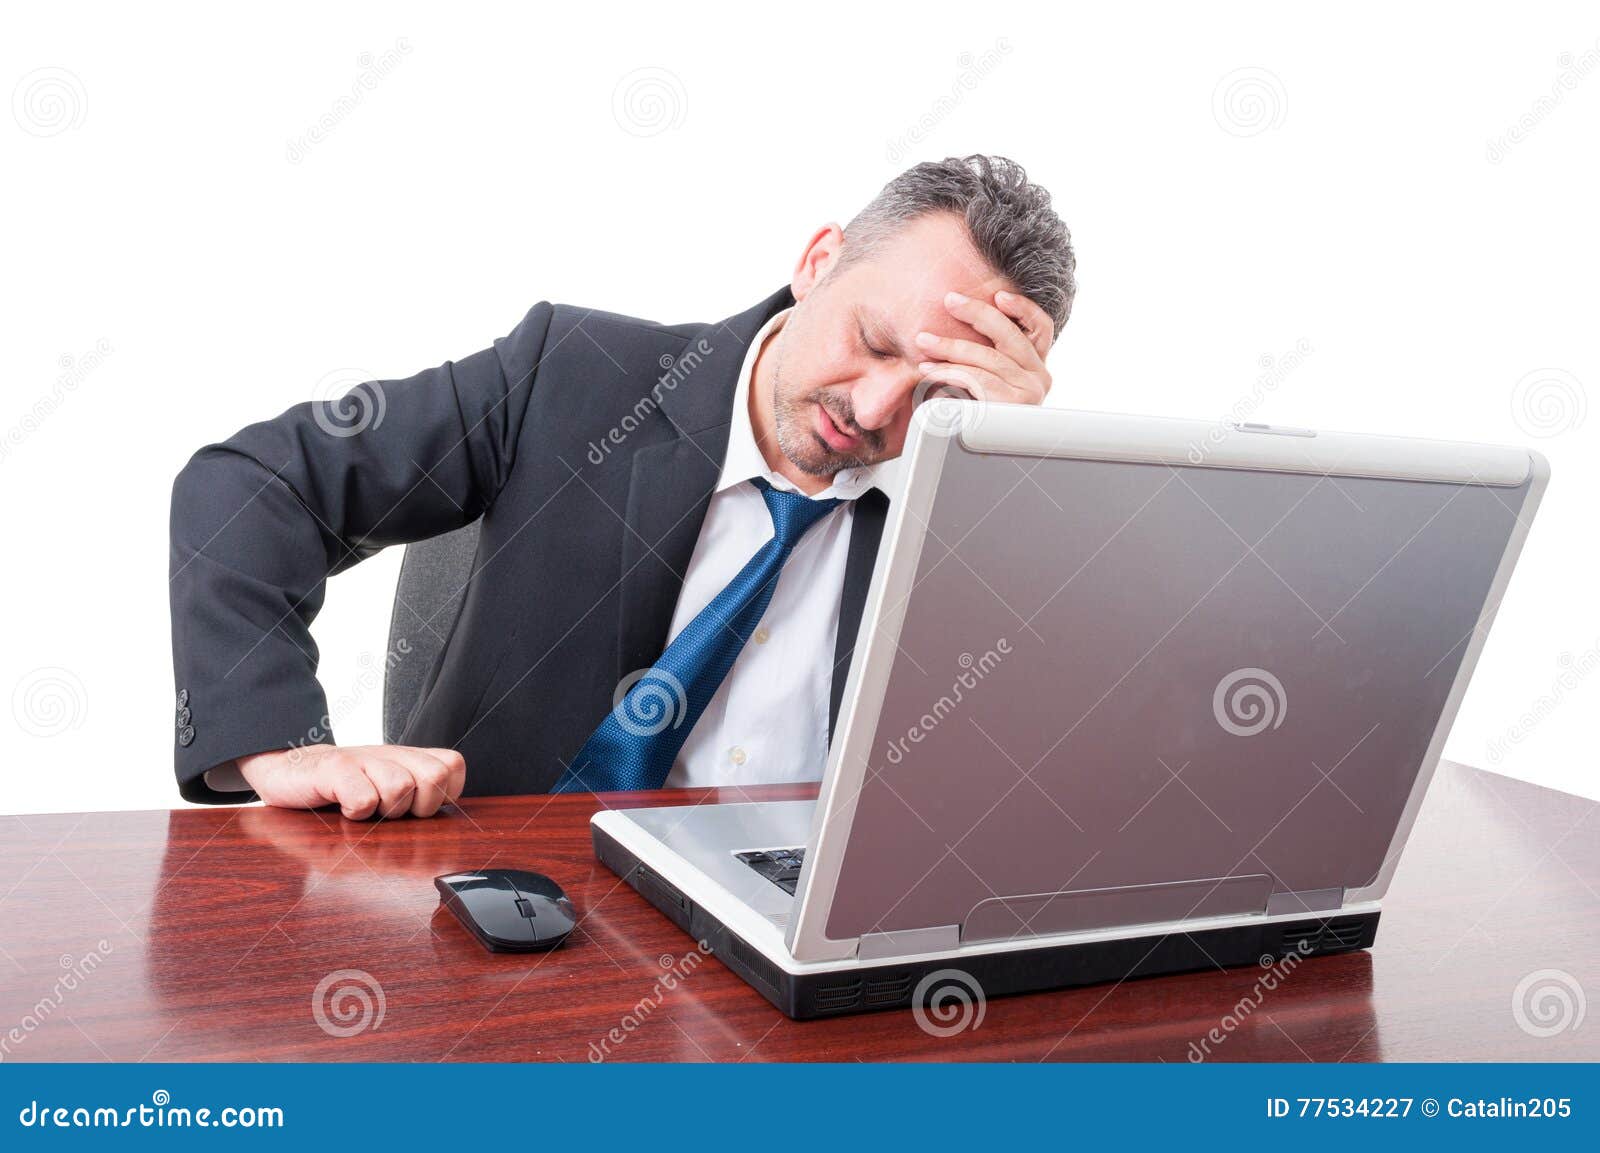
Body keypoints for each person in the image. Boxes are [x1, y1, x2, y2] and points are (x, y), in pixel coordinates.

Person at [168, 155, 1077, 818]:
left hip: (781, 979)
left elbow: (1039, 801)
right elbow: (255, 488)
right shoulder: (570, 373)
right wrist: (278, 743)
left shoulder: (959, 514)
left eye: (932, 392)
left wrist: (1005, 481)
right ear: (817, 262)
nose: (876, 410)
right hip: (489, 919)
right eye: (875, 343)